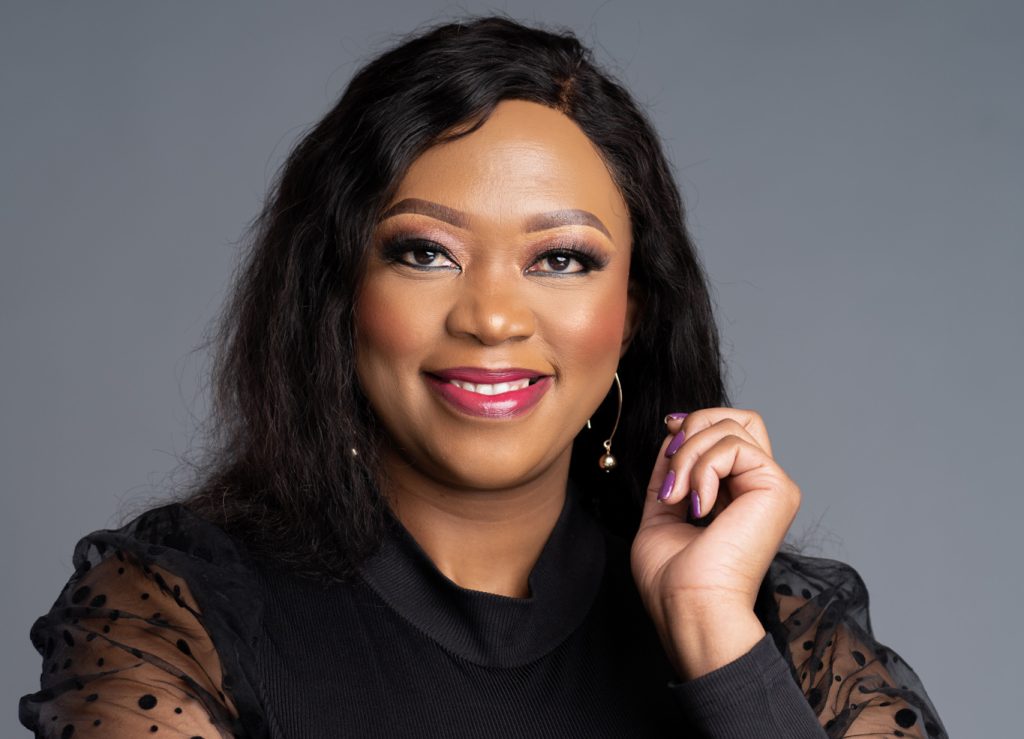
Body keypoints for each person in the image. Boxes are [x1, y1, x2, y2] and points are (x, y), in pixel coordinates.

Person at [19, 16, 945, 739]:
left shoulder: (779, 638)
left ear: (634, 311)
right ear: (337, 293)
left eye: (562, 259)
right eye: (426, 252)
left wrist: (715, 637)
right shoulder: (168, 619)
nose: (493, 318)